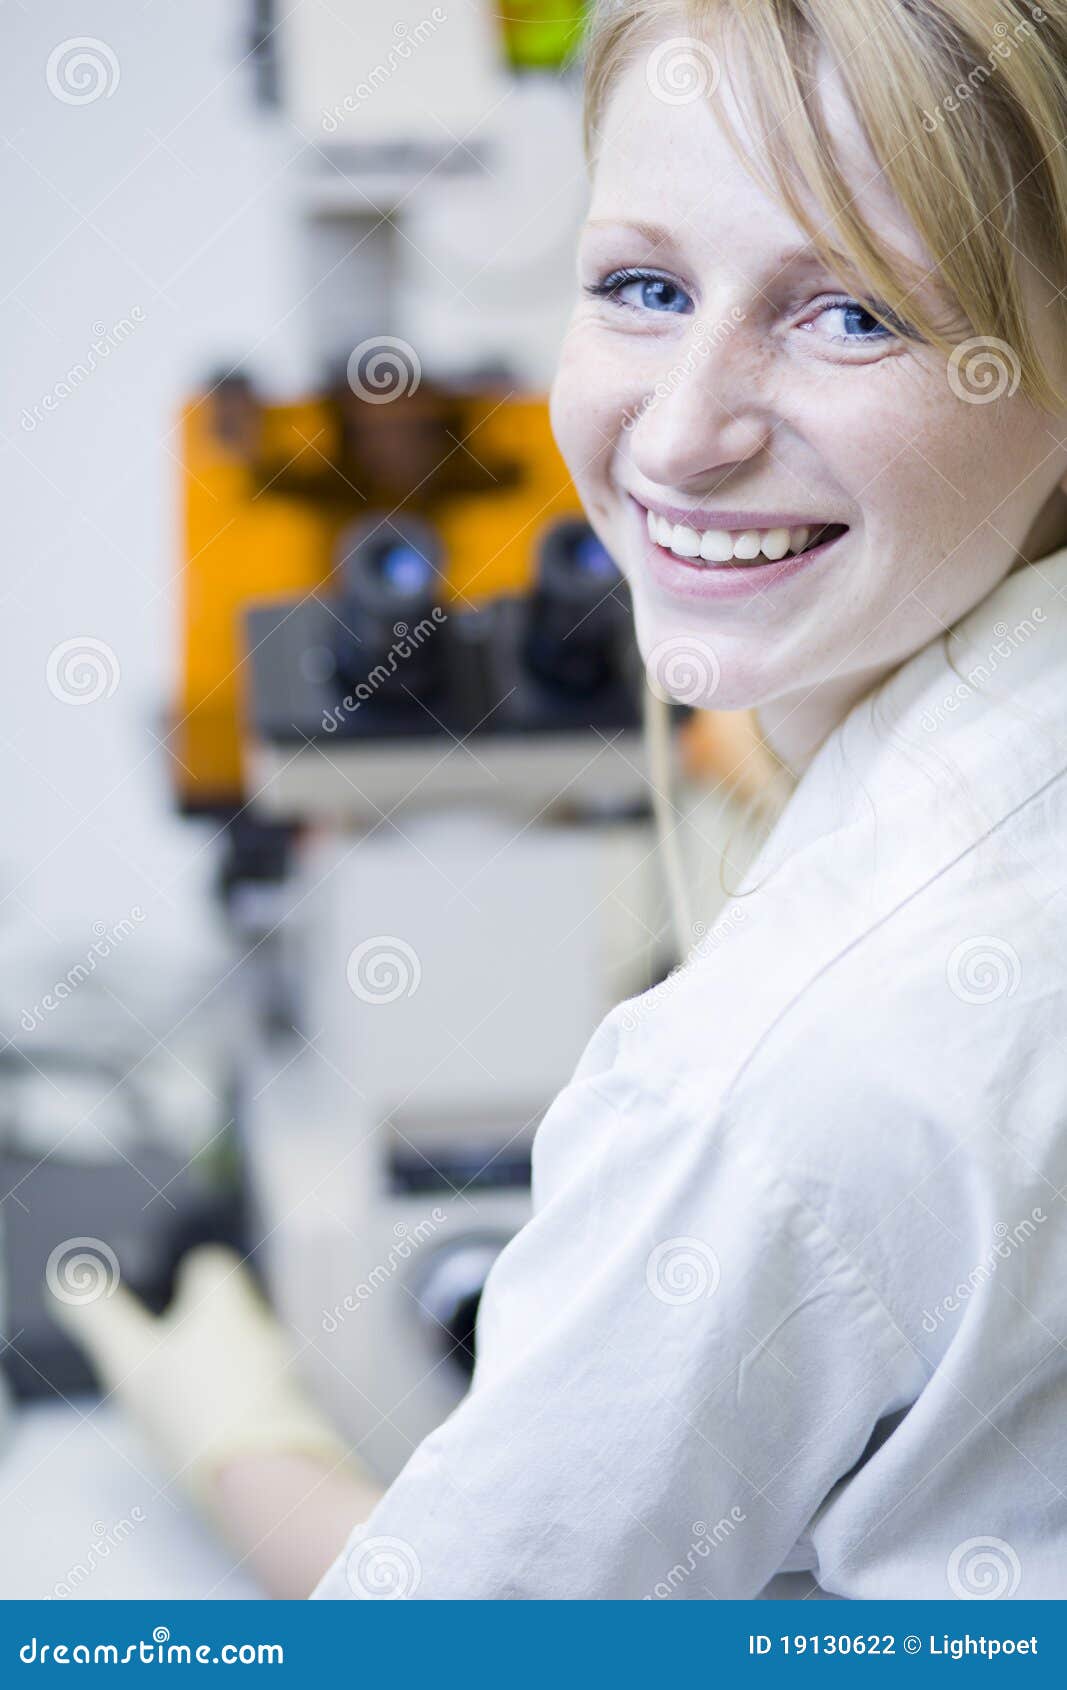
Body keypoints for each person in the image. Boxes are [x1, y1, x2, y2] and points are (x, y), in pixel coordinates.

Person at [57, 0, 1067, 1599]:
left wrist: (240, 1440)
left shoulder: (765, 1078)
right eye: (643, 287)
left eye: (854, 316)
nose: (678, 436)